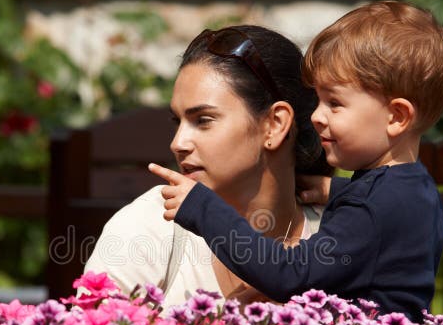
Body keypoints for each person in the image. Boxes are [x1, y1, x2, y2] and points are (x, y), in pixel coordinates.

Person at [149, 0, 443, 320]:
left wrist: (203, 209)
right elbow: (379, 220)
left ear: (396, 116)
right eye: (318, 101)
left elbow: (290, 274)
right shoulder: (414, 187)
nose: (316, 116)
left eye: (334, 103)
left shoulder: (372, 208)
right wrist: (335, 190)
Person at [84, 25, 332, 308]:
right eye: (178, 122)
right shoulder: (152, 225)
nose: (178, 143)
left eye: (203, 120)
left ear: (274, 125)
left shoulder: (343, 233)